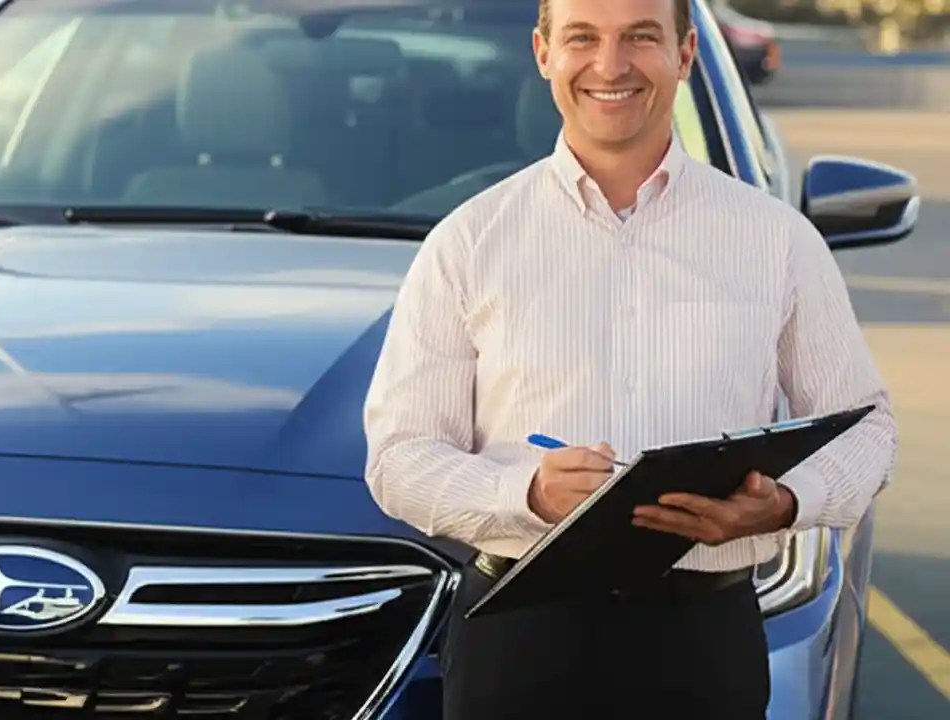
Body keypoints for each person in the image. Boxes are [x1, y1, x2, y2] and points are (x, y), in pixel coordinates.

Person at [361, 0, 898, 718]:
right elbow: (397, 459)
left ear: (684, 55)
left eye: (641, 38)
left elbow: (869, 428)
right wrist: (524, 495)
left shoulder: (776, 241)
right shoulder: (468, 243)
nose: (609, 66)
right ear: (544, 52)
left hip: (705, 642)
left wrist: (786, 503)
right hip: (519, 645)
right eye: (583, 38)